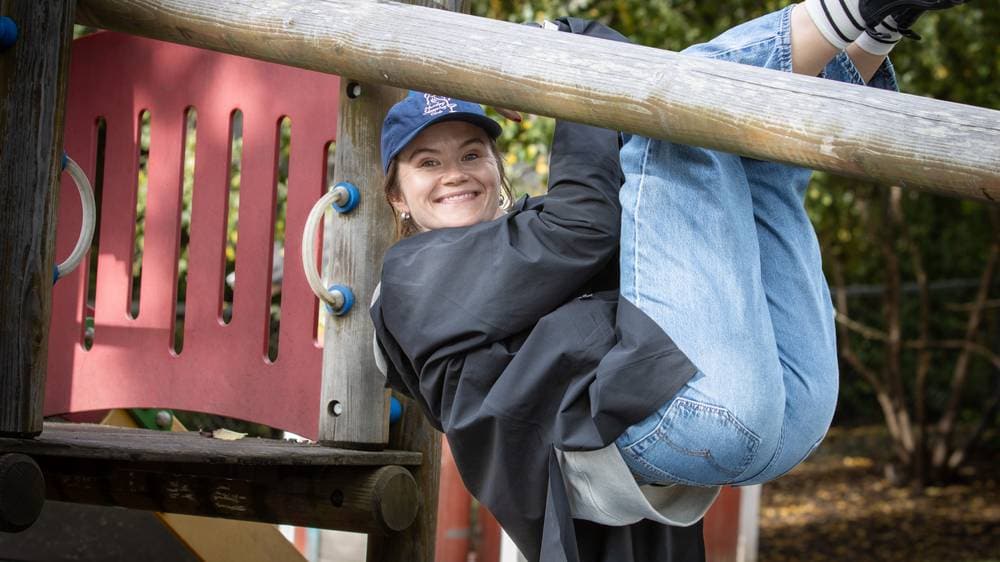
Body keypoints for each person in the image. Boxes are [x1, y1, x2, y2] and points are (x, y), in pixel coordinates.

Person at [370, 2, 967, 560]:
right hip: (696, 414)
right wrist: (573, 54)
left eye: (472, 153)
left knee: (752, 166)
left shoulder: (518, 245)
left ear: (495, 168)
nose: (455, 174)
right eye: (428, 162)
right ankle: (854, 9)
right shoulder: (412, 275)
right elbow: (588, 222)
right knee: (670, 107)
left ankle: (876, 30)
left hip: (788, 415)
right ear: (397, 196)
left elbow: (631, 230)